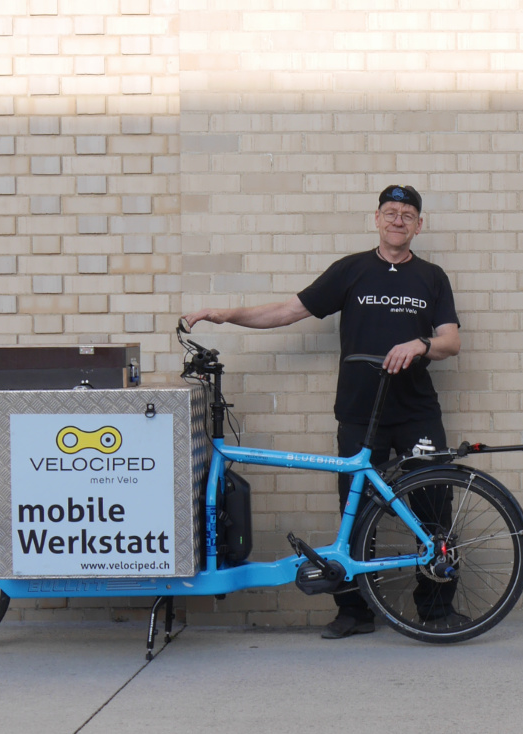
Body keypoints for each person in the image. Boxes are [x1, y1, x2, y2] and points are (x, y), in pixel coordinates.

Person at [183, 184, 462, 639]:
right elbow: (287, 311)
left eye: (407, 215)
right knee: (353, 513)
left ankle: (436, 611)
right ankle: (354, 613)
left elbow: (451, 341)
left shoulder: (432, 277)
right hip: (358, 412)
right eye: (390, 213)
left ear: (418, 225)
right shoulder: (351, 271)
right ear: (376, 219)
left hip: (417, 413)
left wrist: (421, 343)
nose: (398, 220)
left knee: (434, 511)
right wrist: (226, 314)